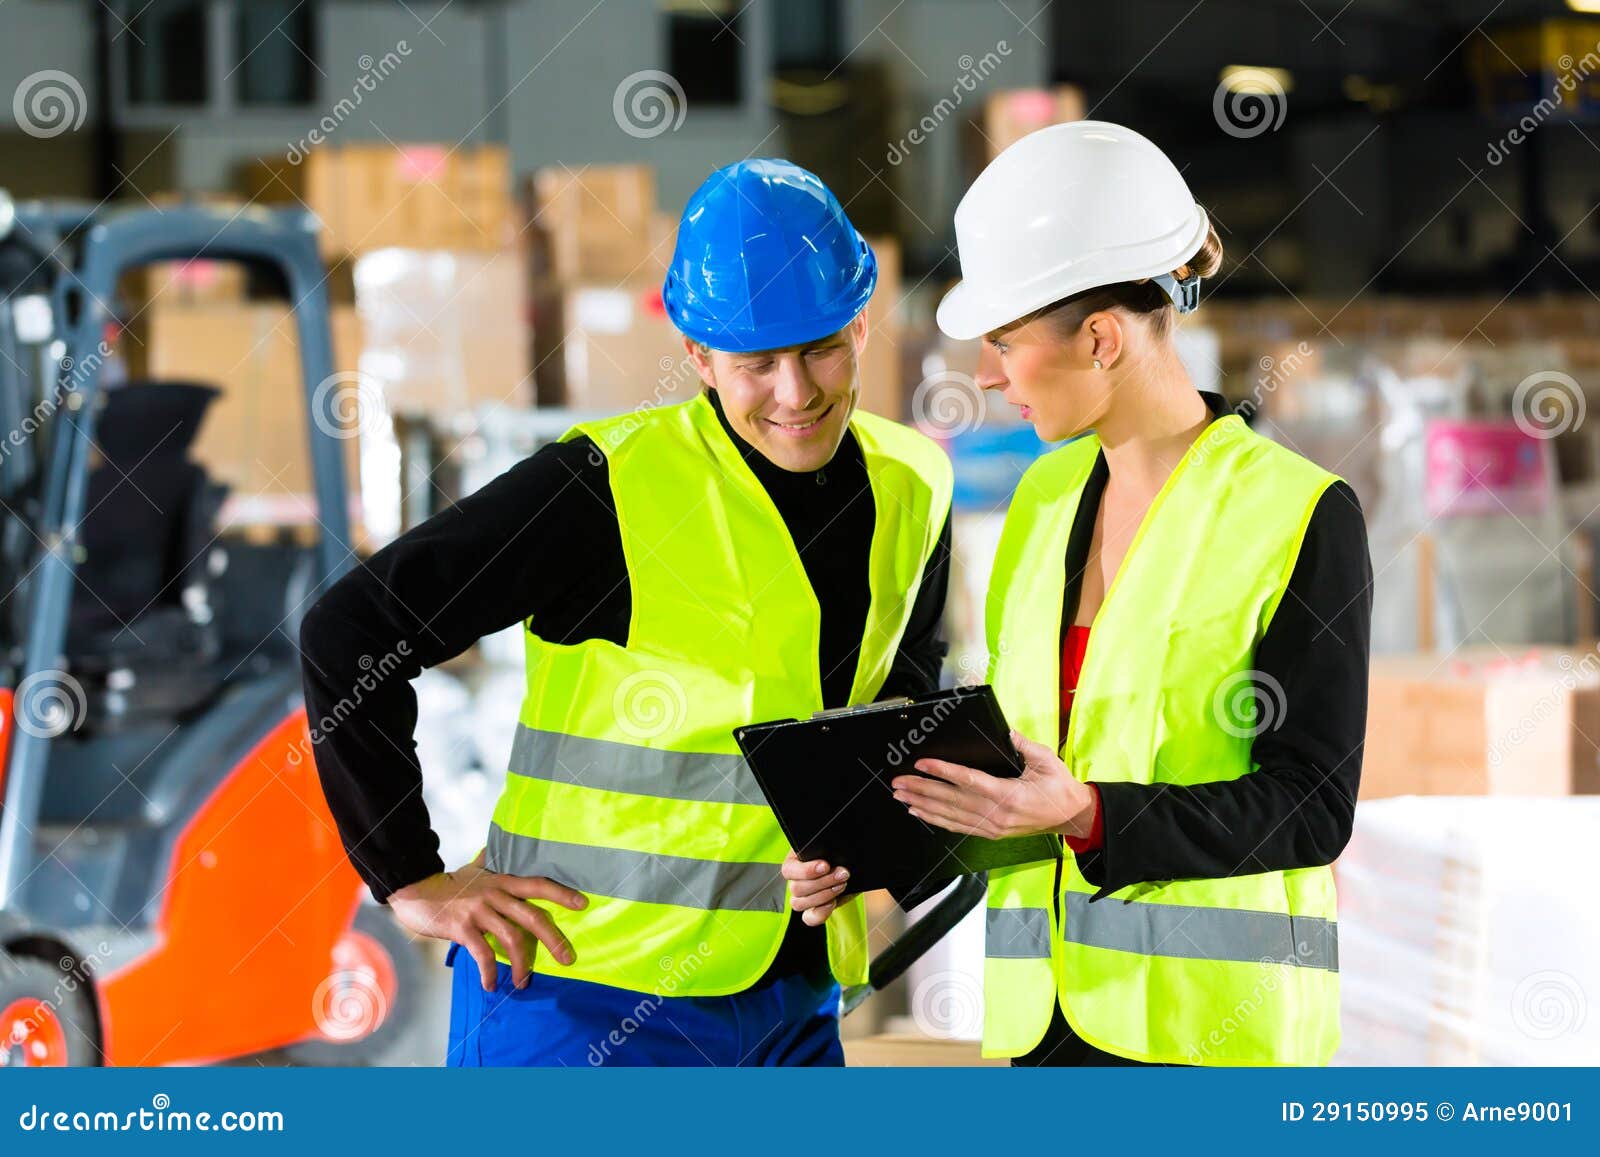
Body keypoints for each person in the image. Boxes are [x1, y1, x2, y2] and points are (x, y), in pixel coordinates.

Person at [298, 158, 953, 1067]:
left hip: (793, 993)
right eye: (756, 364)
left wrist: (863, 842)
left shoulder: (914, 483)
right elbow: (349, 630)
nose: (796, 392)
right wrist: (408, 877)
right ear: (698, 356)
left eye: (821, 349)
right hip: (579, 991)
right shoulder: (604, 486)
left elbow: (899, 699)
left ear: (861, 323)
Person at [790, 121, 1372, 1067]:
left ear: (1100, 338)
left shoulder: (1297, 512)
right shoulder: (1044, 499)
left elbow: (1311, 805)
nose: (986, 375)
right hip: (1043, 1028)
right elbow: (1022, 775)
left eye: (1005, 341)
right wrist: (871, 850)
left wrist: (1090, 815)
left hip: (1208, 1041)